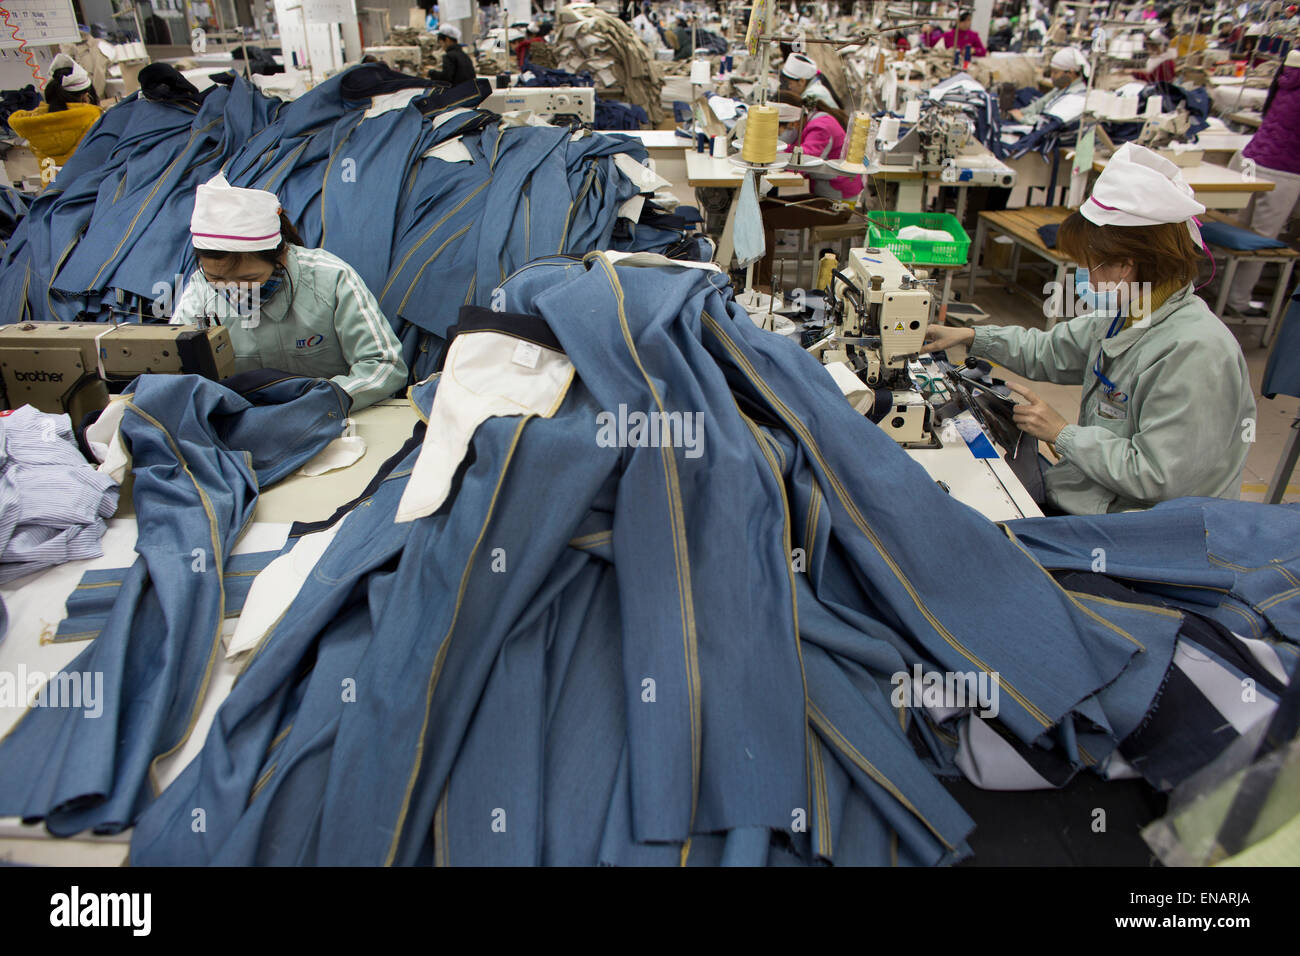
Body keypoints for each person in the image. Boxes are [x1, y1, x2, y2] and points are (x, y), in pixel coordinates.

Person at [922, 143, 1256, 515]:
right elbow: (1051, 350)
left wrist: (1063, 434)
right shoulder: (1133, 311)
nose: (1083, 273)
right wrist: (970, 337)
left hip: (1146, 530)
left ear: (1125, 265)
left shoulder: (1196, 352)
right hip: (1097, 494)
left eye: (1088, 263)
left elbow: (1160, 475)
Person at [172, 174, 408, 412]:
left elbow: (385, 365)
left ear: (281, 255)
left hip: (333, 416)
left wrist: (318, 401)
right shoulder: (199, 295)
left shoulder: (331, 280)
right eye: (217, 279)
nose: (235, 290)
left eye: (249, 279)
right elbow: (173, 373)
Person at [1226, 49, 1300, 317]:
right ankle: (1237, 301)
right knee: (1260, 239)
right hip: (1284, 169)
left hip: (1251, 158)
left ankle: (1217, 287)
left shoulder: (1287, 75)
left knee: (1238, 228)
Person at [8, 54, 101, 168]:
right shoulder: (94, 120)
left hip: (52, 183)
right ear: (86, 96)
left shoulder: (36, 124)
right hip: (87, 183)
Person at [1009, 47, 1088, 122]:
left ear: (1070, 73)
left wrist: (1023, 118)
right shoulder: (1060, 88)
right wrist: (1022, 112)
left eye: (1055, 72)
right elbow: (1039, 105)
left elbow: (1051, 122)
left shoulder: (1076, 96)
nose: (1052, 76)